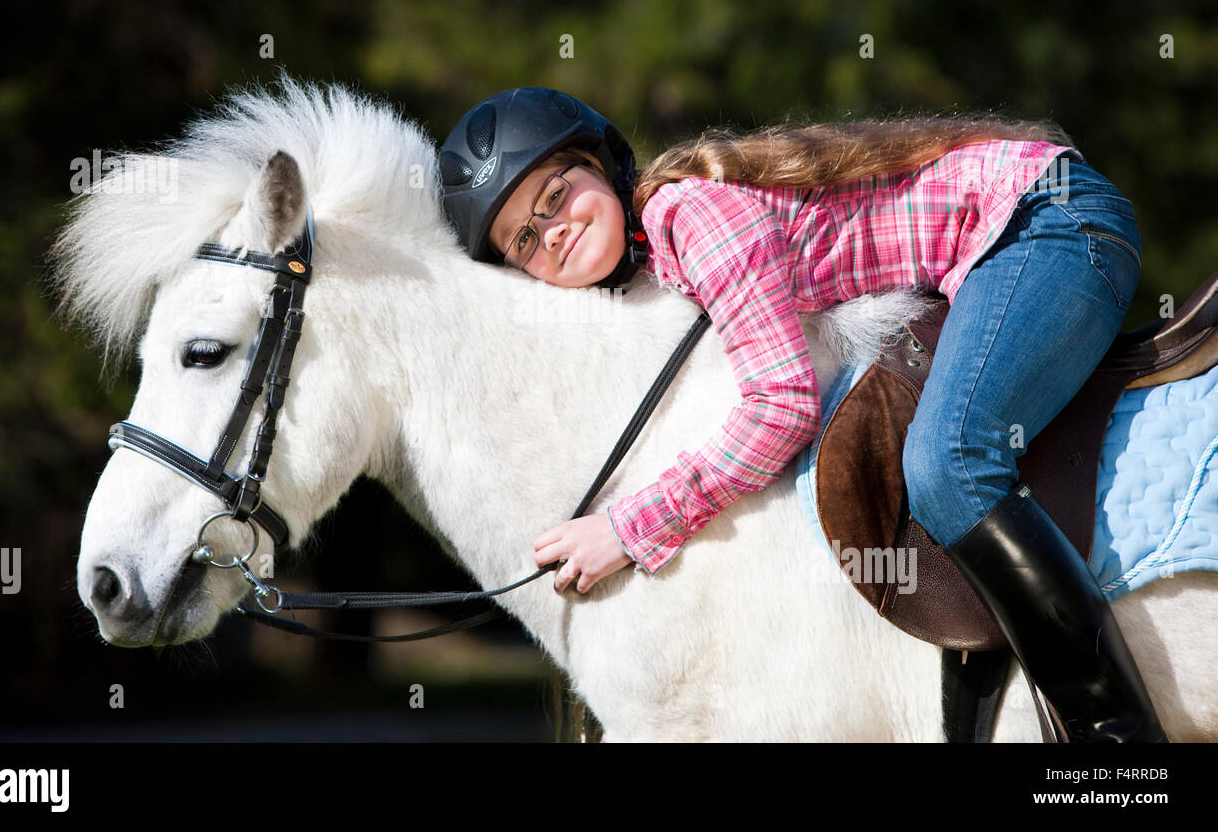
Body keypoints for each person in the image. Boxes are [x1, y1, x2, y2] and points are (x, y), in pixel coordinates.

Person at [438, 86, 1167, 742]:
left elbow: (782, 406)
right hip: (1000, 244)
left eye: (556, 195)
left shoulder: (688, 216)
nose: (553, 230)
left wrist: (630, 529)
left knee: (949, 464)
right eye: (525, 240)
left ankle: (1115, 738)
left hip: (1044, 220)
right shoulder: (657, 267)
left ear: (601, 164)